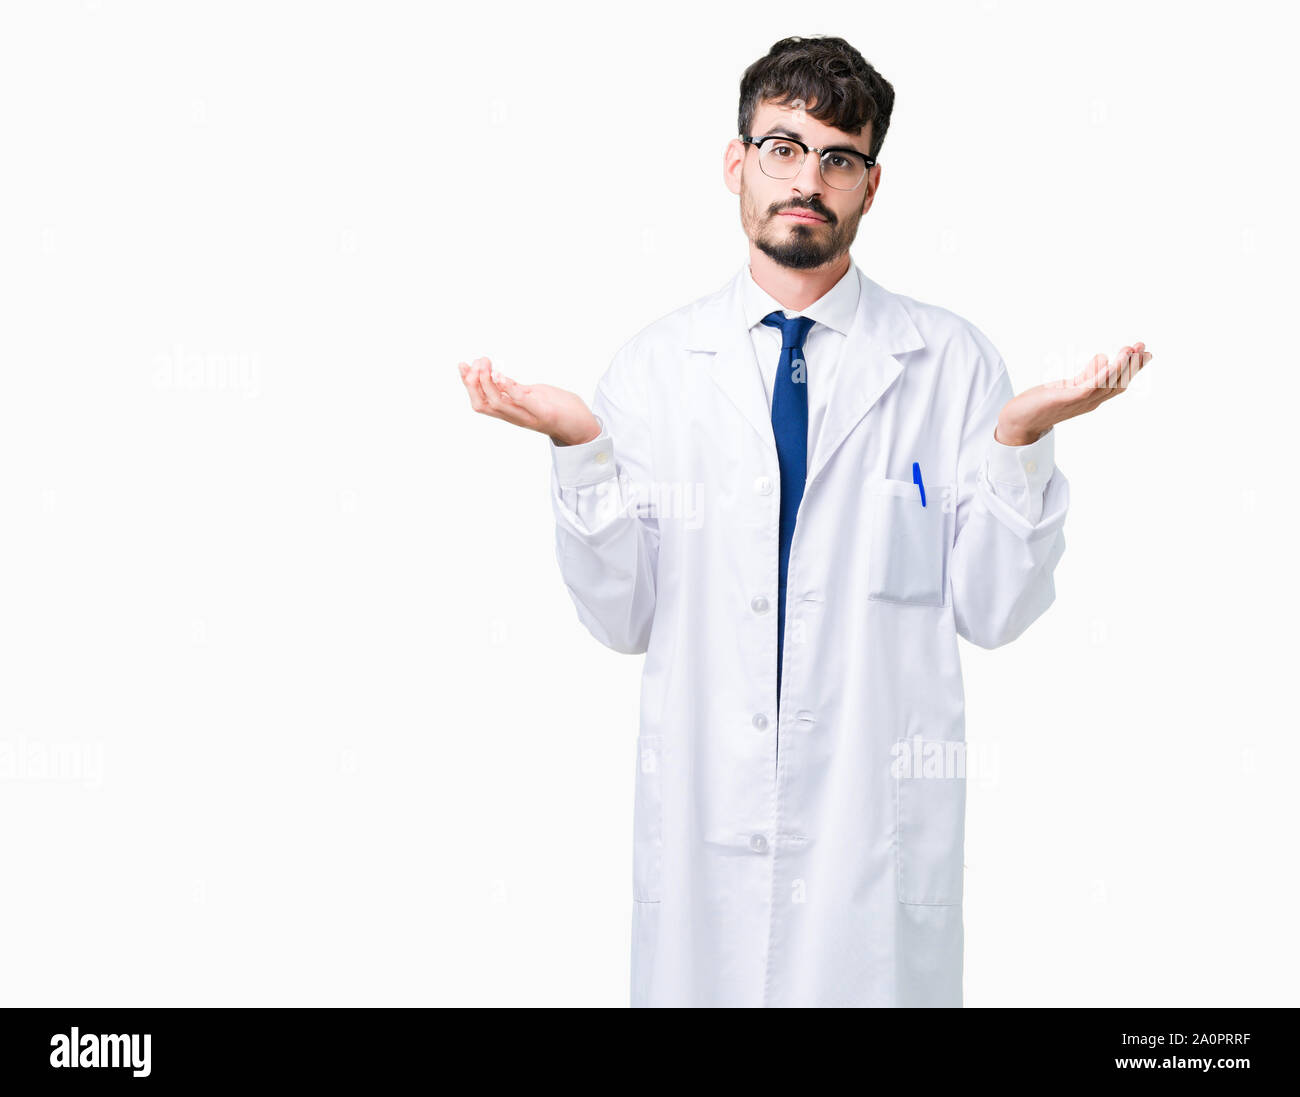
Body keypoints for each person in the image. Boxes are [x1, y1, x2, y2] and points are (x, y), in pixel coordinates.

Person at [458, 34, 1151, 1007]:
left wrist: (1019, 439)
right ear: (735, 163)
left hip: (871, 868)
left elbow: (994, 608)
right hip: (707, 854)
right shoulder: (655, 370)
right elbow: (621, 618)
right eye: (782, 147)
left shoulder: (948, 365)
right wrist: (580, 448)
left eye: (838, 157)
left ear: (872, 184)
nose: (807, 180)